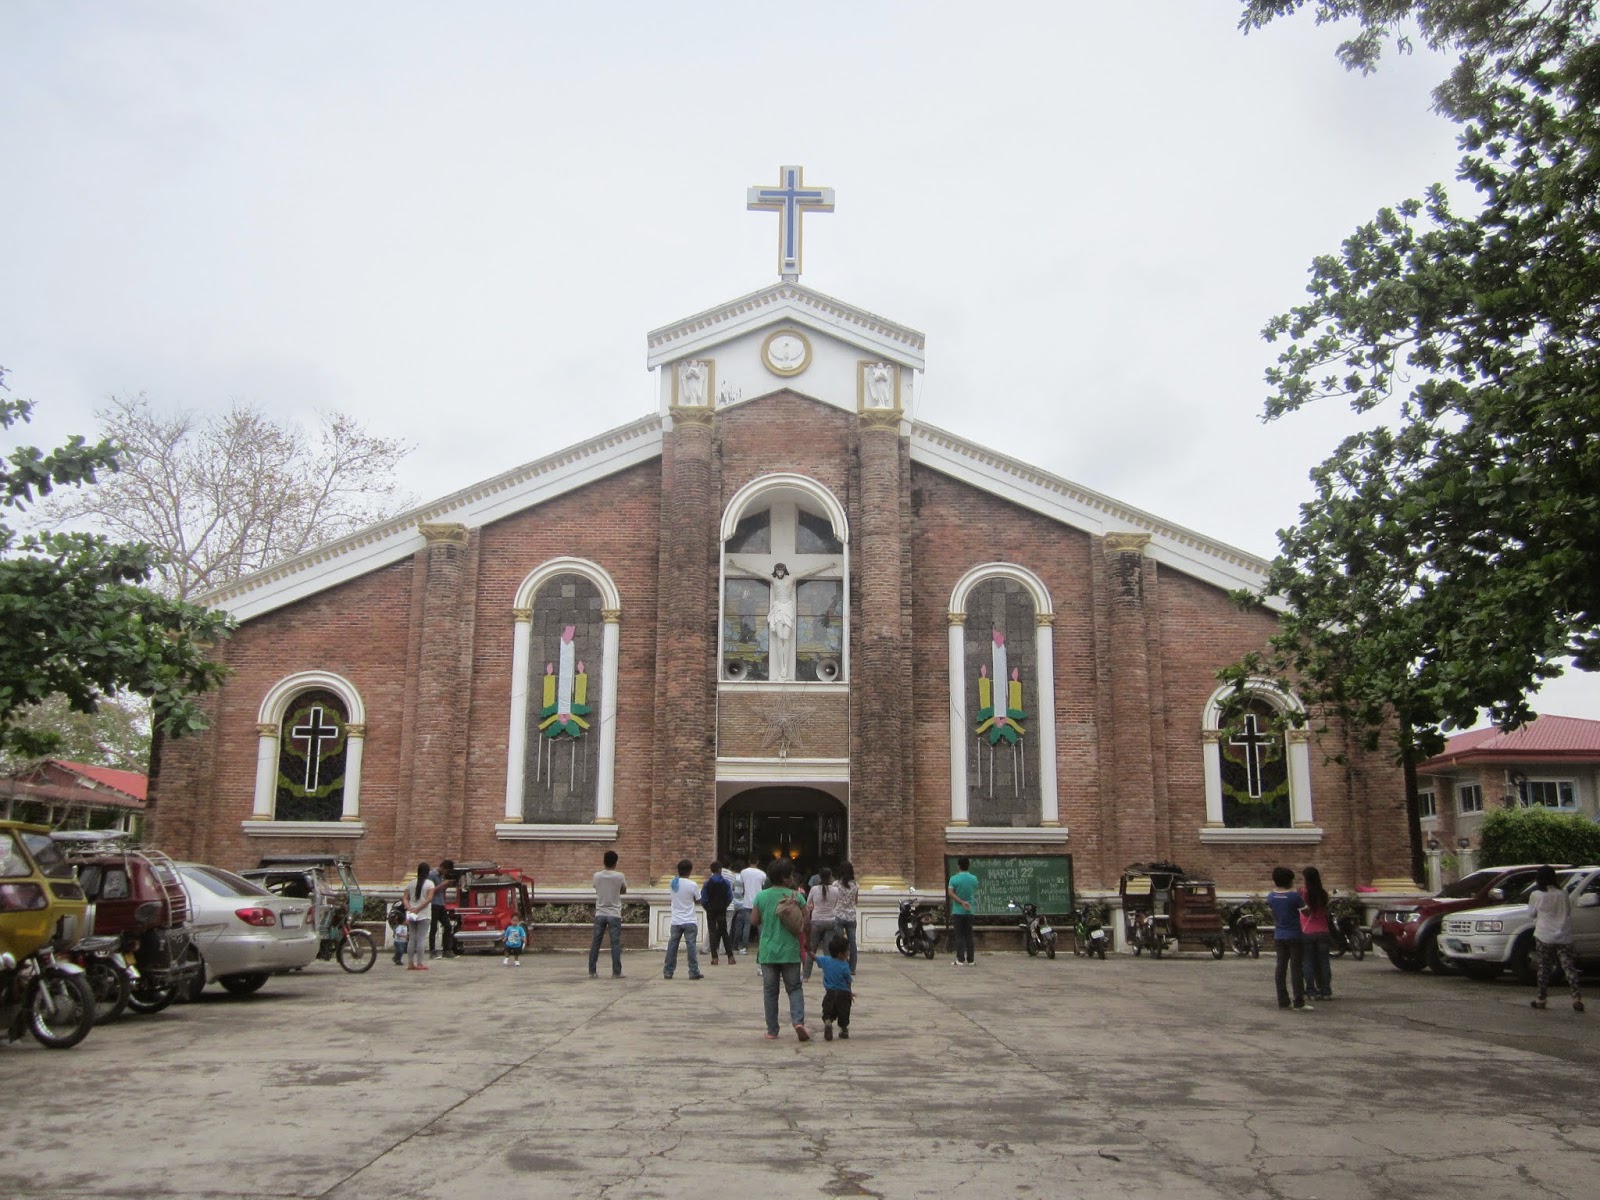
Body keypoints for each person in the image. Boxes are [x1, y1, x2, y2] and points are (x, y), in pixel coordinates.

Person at [751, 857, 809, 1042]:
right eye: (790, 875)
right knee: (794, 988)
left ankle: (772, 1030)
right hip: (790, 950)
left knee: (770, 991)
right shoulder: (796, 896)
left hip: (768, 951)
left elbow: (754, 921)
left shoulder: (761, 896)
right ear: (785, 878)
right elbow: (806, 920)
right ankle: (798, 1021)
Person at [1528, 864, 1583, 1012]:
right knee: (1569, 967)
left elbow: (1531, 914)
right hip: (1564, 935)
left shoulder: (1536, 895)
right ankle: (1576, 998)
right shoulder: (1563, 893)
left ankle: (1541, 999)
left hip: (1544, 935)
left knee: (1544, 968)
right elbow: (1568, 911)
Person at [1266, 866, 1311, 1011]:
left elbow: (1273, 914)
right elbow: (1307, 912)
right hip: (1294, 934)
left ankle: (1283, 1001)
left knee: (1281, 967)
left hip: (1279, 934)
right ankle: (1299, 1000)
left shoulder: (1271, 896)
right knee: (1296, 968)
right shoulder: (1294, 896)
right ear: (1290, 881)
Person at [663, 858, 705, 980]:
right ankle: (693, 971)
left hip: (676, 920)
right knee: (691, 946)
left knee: (672, 946)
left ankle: (668, 971)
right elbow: (698, 899)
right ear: (690, 871)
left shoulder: (673, 883)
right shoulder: (692, 885)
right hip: (689, 919)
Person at [589, 850, 627, 978]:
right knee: (615, 943)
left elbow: (595, 888)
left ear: (603, 861)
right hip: (614, 913)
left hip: (600, 912)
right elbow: (624, 890)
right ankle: (616, 971)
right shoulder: (619, 876)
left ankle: (592, 971)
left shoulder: (597, 876)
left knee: (596, 943)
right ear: (616, 862)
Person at [1298, 866, 1333, 1001]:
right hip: (1323, 930)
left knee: (1308, 962)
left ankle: (1311, 990)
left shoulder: (1303, 893)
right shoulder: (1323, 893)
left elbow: (1302, 910)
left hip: (1307, 930)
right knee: (1324, 962)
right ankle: (1326, 990)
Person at [816, 931, 855, 1042]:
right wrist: (850, 992)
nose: (848, 952)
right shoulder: (844, 966)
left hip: (830, 993)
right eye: (847, 950)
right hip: (843, 993)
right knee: (844, 1013)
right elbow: (848, 981)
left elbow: (815, 958)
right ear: (840, 954)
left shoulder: (826, 960)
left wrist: (808, 950)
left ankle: (828, 1022)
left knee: (828, 1011)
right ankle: (843, 1029)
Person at [804, 867, 838, 980]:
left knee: (811, 949)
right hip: (830, 921)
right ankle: (829, 975)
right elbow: (836, 905)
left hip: (816, 920)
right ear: (830, 877)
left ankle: (806, 976)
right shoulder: (835, 890)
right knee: (828, 950)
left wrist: (807, 920)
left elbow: (808, 905)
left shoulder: (814, 889)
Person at [702, 861, 736, 965]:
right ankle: (730, 956)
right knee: (724, 931)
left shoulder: (707, 883)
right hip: (722, 909)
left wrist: (707, 907)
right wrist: (725, 905)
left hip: (711, 909)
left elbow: (703, 898)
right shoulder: (725, 882)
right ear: (720, 870)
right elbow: (730, 897)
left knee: (712, 931)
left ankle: (714, 957)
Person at [947, 857, 979, 966]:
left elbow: (950, 893)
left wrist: (961, 902)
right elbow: (974, 889)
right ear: (968, 865)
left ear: (958, 866)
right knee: (969, 935)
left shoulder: (954, 879)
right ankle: (971, 960)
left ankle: (960, 959)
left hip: (958, 911)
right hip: (969, 910)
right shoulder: (974, 878)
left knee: (959, 935)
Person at [404, 862, 435, 972]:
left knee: (412, 938)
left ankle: (410, 962)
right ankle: (420, 963)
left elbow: (405, 898)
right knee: (421, 938)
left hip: (412, 914)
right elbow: (429, 899)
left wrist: (410, 908)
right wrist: (418, 909)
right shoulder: (430, 884)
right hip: (424, 914)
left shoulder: (411, 883)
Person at [735, 858, 766, 955]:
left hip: (747, 901)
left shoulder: (743, 872)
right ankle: (762, 947)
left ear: (749, 862)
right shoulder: (762, 874)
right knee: (760, 925)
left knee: (747, 925)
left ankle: (744, 946)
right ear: (758, 862)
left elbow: (742, 884)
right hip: (759, 901)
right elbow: (763, 886)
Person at [834, 861, 860, 973]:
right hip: (851, 915)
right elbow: (856, 901)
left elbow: (833, 899)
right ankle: (852, 967)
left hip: (839, 914)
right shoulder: (855, 885)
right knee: (852, 942)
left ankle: (840, 965)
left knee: (839, 942)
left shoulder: (835, 884)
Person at [429, 858, 456, 959]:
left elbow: (441, 891)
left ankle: (446, 950)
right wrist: (442, 885)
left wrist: (445, 886)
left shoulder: (441, 876)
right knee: (433, 927)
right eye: (447, 871)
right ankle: (432, 950)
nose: (446, 873)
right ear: (443, 868)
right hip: (433, 904)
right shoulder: (432, 875)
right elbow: (429, 891)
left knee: (448, 926)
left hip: (441, 903)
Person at [390, 900, 408, 966]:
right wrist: (404, 936)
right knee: (399, 951)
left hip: (403, 941)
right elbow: (397, 933)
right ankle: (397, 959)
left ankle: (398, 959)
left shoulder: (405, 927)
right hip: (398, 941)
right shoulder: (400, 927)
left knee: (401, 951)